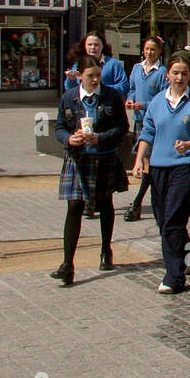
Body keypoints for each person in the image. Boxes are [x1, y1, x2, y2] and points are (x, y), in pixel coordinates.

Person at [131, 52, 190, 295]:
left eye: (185, 73)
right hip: (158, 167)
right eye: (176, 72)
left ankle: (174, 274)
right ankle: (189, 249)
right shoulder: (157, 102)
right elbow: (147, 133)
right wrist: (139, 161)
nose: (180, 77)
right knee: (163, 220)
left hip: (185, 166)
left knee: (173, 220)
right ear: (167, 74)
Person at [51, 56, 129, 285]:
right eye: (90, 76)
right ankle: (68, 264)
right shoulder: (69, 97)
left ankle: (106, 250)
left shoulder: (111, 96)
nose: (95, 80)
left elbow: (123, 127)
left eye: (98, 75)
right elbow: (59, 127)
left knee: (105, 203)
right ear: (80, 76)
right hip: (78, 159)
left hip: (103, 157)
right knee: (74, 206)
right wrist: (69, 139)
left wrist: (101, 138)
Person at [123, 36, 167, 222]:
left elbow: (163, 98)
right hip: (139, 120)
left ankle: (137, 203)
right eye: (147, 49)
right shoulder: (136, 68)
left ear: (159, 52)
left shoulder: (162, 72)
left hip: (154, 122)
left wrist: (145, 105)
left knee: (147, 161)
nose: (149, 53)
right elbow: (132, 87)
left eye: (153, 50)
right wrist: (131, 99)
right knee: (146, 162)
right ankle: (153, 199)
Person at [63, 31, 129, 98]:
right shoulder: (79, 64)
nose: (93, 47)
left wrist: (101, 89)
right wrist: (71, 79)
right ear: (84, 46)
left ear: (103, 46)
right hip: (83, 104)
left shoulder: (114, 64)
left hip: (107, 104)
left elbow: (124, 86)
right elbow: (69, 89)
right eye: (89, 44)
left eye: (96, 44)